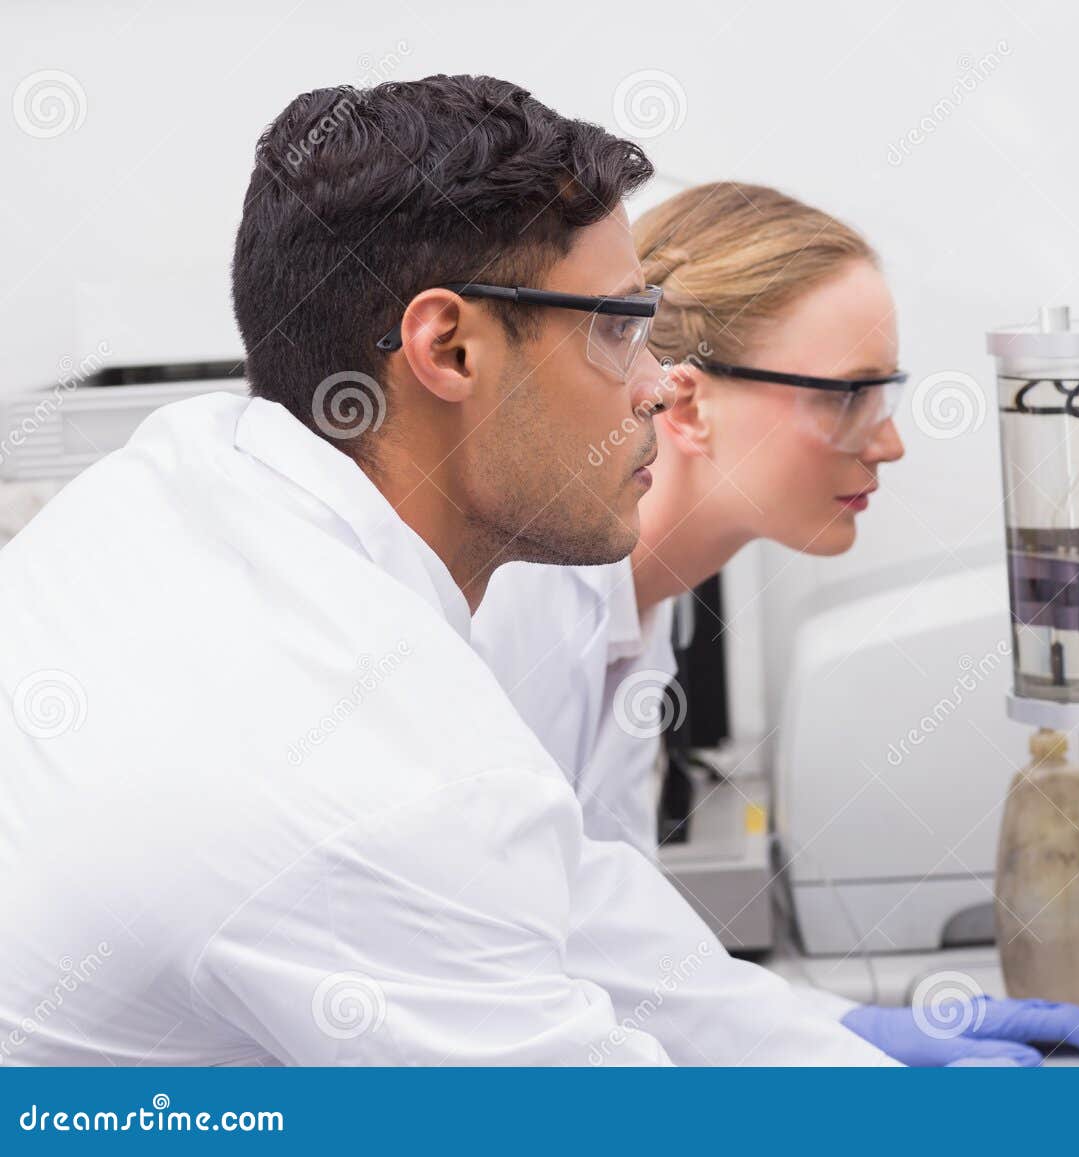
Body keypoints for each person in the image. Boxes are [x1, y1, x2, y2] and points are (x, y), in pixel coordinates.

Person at [0, 77, 897, 1066]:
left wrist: (839, 1052)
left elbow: (567, 900)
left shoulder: (182, 474)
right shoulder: (383, 774)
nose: (656, 384)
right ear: (449, 347)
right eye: (615, 329)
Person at [471, 184, 1079, 1066]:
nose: (889, 442)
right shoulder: (522, 601)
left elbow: (612, 942)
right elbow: (514, 972)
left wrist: (837, 1031)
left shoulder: (646, 609)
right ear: (682, 403)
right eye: (846, 396)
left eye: (886, 393)